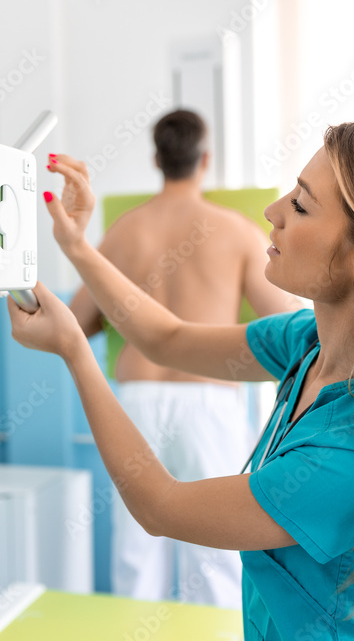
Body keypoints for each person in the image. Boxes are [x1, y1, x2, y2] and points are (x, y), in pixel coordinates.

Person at [8, 120, 354, 639]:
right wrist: (77, 246)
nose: (273, 212)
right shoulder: (307, 342)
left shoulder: (352, 455)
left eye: (300, 205)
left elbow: (161, 507)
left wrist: (74, 350)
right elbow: (169, 339)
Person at [67, 109, 299, 608]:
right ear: (204, 159)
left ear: (156, 158)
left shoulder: (123, 232)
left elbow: (79, 321)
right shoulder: (235, 231)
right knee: (214, 559)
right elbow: (289, 326)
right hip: (208, 402)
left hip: (137, 401)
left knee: (135, 553)